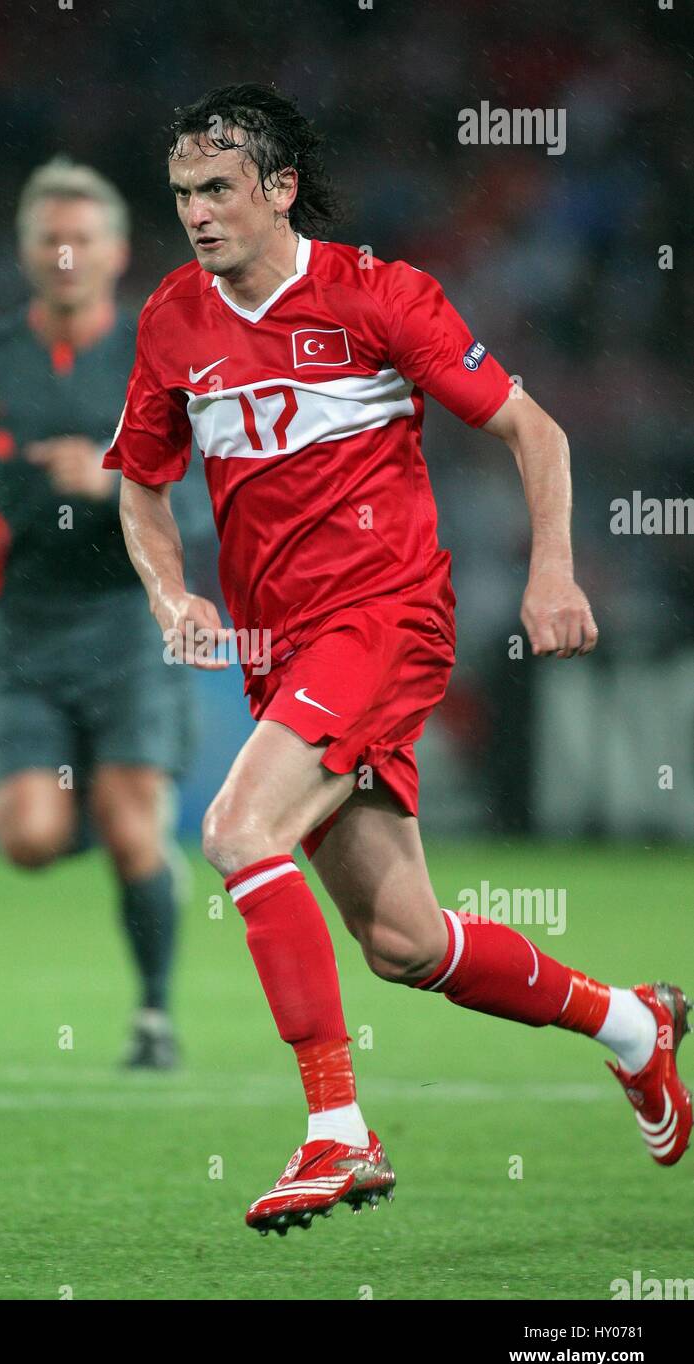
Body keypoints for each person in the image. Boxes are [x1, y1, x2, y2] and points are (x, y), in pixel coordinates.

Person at [103, 84, 691, 1231]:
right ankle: (631, 1024)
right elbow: (138, 481)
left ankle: (336, 1130)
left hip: (381, 620)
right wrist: (170, 591)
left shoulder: (376, 295)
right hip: (281, 655)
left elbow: (535, 429)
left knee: (234, 830)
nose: (197, 214)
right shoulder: (174, 319)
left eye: (218, 189)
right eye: (181, 195)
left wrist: (551, 570)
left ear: (277, 189)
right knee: (404, 942)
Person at [0, 157, 199, 1068]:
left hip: (128, 618)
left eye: (84, 238)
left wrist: (118, 481)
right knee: (31, 840)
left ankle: (153, 1019)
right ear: (27, 251)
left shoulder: (163, 359)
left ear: (117, 253)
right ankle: (124, 824)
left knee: (126, 822)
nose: (65, 253)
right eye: (49, 239)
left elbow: (219, 492)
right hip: (24, 623)